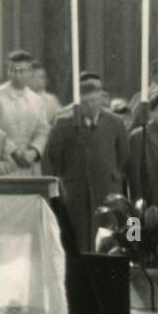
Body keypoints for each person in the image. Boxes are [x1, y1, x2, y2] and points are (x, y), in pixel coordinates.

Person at [44, 79, 130, 252]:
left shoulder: (115, 122)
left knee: (108, 233)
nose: (91, 106)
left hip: (107, 189)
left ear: (101, 99)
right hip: (76, 191)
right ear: (77, 103)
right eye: (86, 102)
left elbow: (124, 155)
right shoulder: (64, 123)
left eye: (94, 100)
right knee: (79, 235)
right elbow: (52, 158)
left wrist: (111, 173)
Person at [0, 49, 50, 176]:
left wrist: (34, 151)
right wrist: (14, 151)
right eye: (13, 71)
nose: (17, 76)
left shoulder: (37, 100)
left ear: (31, 72)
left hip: (29, 163)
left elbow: (43, 130)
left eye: (22, 71)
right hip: (4, 161)